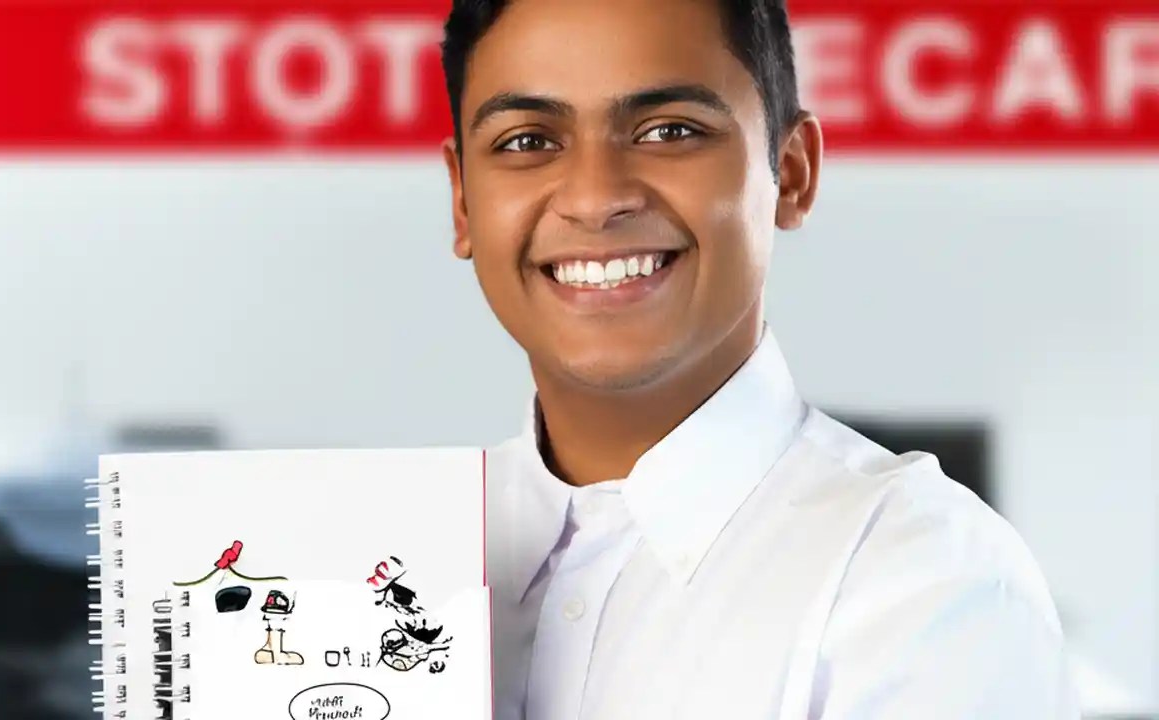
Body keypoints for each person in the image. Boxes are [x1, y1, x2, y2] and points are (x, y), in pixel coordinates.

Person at [437, 0, 1079, 718]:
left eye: (670, 131)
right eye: (527, 141)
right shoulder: (378, 556)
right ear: (463, 198)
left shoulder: (921, 571)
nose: (595, 198)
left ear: (793, 171)